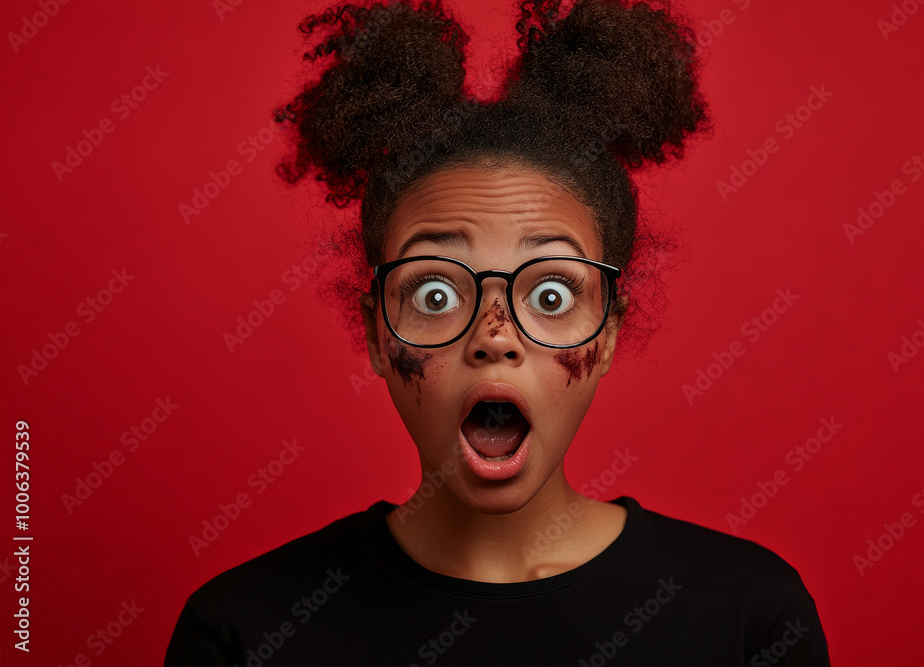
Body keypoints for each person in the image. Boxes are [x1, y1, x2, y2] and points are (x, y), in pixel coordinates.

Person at [165, 0, 831, 664]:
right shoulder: (243, 630)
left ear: (607, 335)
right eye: (434, 292)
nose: (495, 336)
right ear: (375, 333)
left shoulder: (749, 617)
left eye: (550, 291)